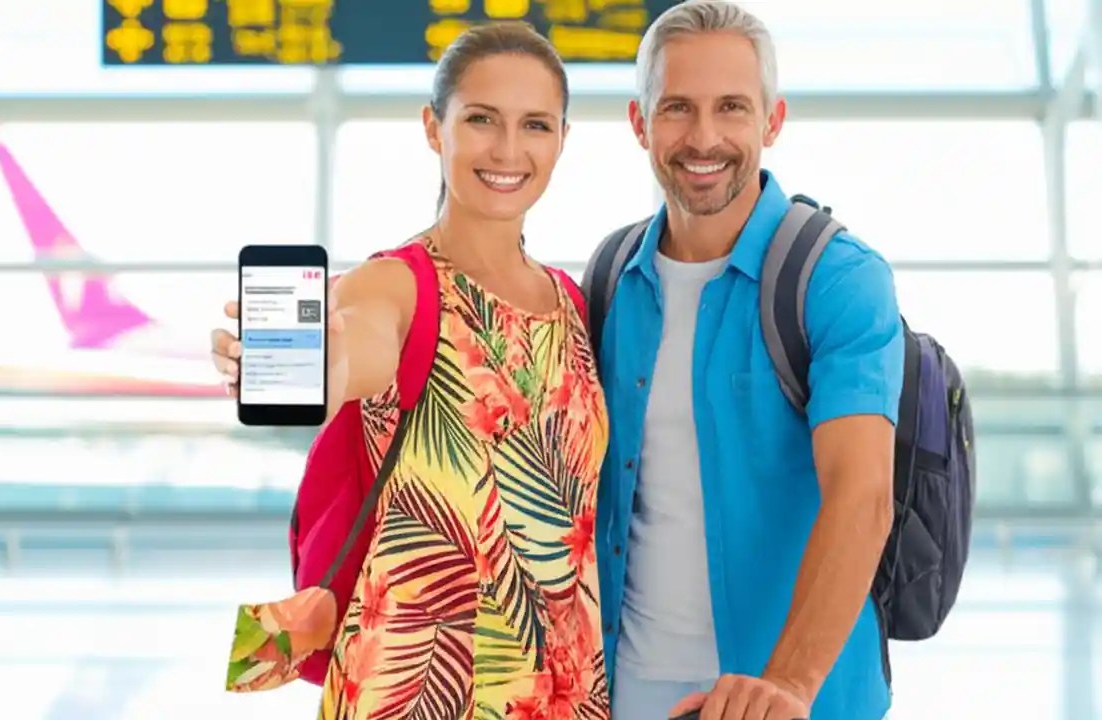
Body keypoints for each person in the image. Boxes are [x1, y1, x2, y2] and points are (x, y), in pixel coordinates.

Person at [210, 22, 612, 720]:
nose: (509, 150)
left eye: (535, 125)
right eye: (481, 119)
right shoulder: (395, 286)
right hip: (420, 688)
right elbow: (355, 349)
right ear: (435, 127)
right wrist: (312, 369)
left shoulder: (572, 304)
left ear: (563, 140)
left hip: (563, 688)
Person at [593, 2, 903, 720]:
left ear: (771, 119)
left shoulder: (836, 278)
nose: (704, 138)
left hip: (799, 700)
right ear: (640, 123)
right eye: (677, 108)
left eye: (731, 107)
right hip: (626, 691)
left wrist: (787, 685)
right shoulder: (611, 277)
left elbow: (863, 497)